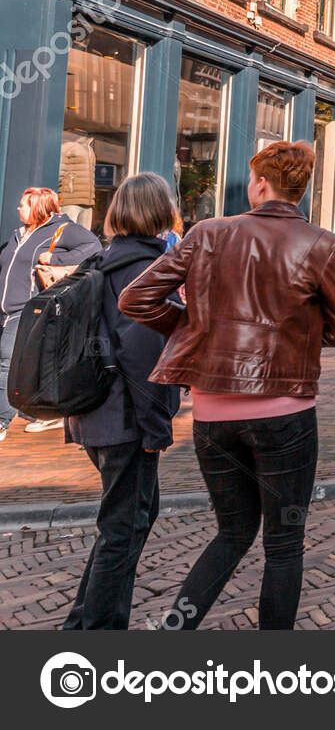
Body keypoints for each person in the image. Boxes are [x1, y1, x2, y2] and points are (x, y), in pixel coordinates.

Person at [120, 141, 335, 631]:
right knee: (284, 544)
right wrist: (297, 332)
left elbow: (136, 298)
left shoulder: (208, 233)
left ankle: (174, 631)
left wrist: (196, 330)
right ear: (301, 189)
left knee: (231, 533)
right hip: (285, 413)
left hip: (213, 416)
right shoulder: (322, 245)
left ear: (259, 184)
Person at [62, 174, 183, 629]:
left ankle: (82, 622)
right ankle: (96, 635)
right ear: (160, 213)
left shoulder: (99, 261)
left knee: (130, 519)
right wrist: (157, 428)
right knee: (123, 528)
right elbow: (140, 356)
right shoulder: (148, 271)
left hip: (91, 413)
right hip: (126, 419)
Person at [0, 185, 101, 440]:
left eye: (23, 204)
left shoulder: (60, 230)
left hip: (25, 310)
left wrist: (53, 260)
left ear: (37, 206)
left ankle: (1, 422)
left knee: (5, 362)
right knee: (15, 366)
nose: (18, 208)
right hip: (4, 310)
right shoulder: (18, 234)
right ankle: (40, 414)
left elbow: (94, 246)